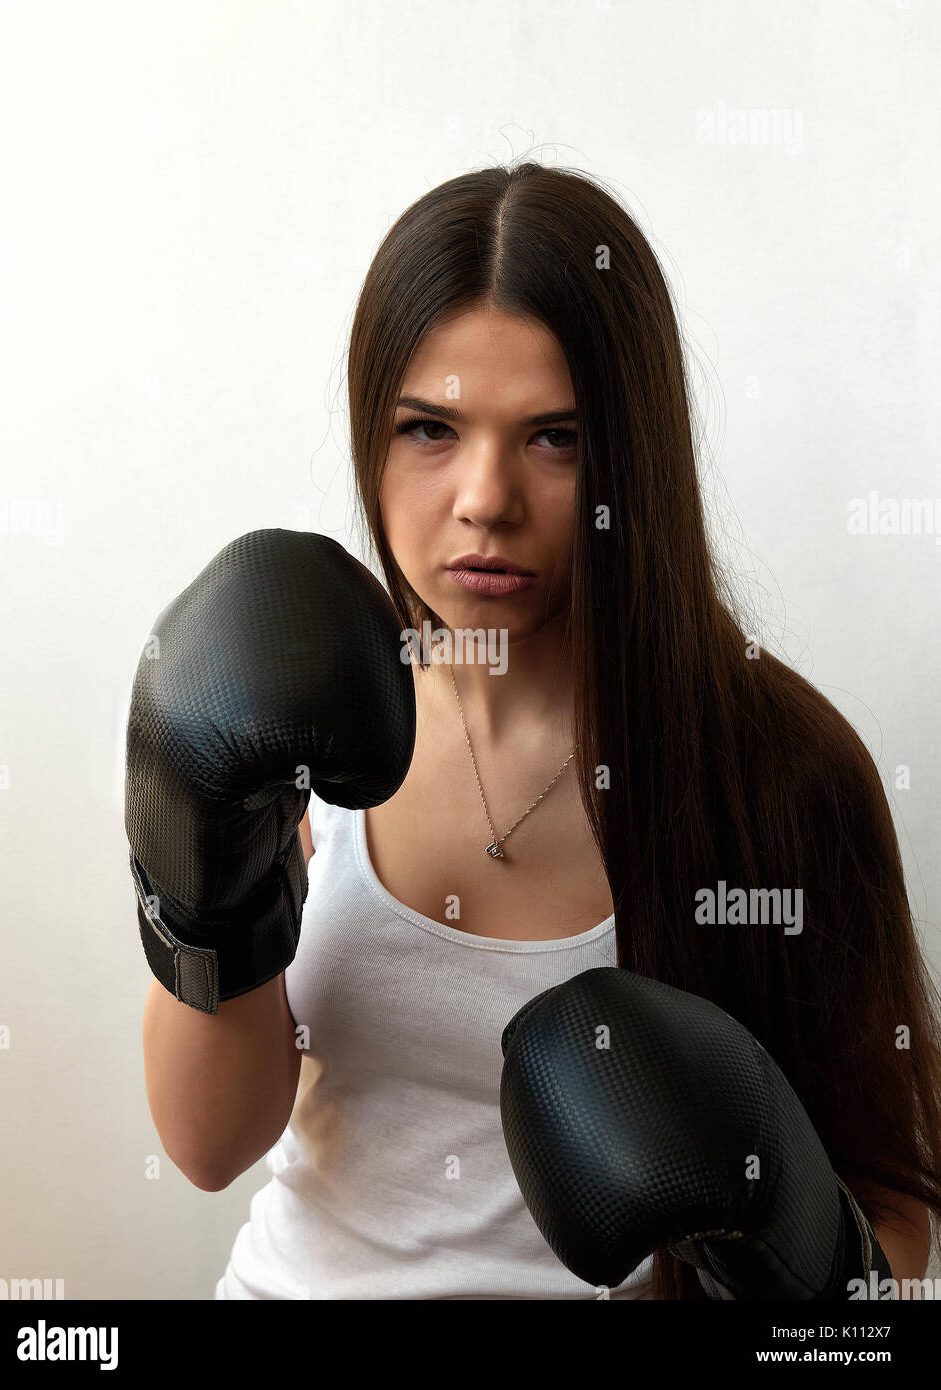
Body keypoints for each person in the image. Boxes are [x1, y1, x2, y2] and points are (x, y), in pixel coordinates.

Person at [128, 161, 939, 1300]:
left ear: (630, 453)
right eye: (429, 428)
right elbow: (209, 1149)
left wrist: (794, 1266)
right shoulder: (296, 722)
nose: (484, 497)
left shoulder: (775, 773)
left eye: (552, 438)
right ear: (371, 432)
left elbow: (888, 1205)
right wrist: (196, 873)